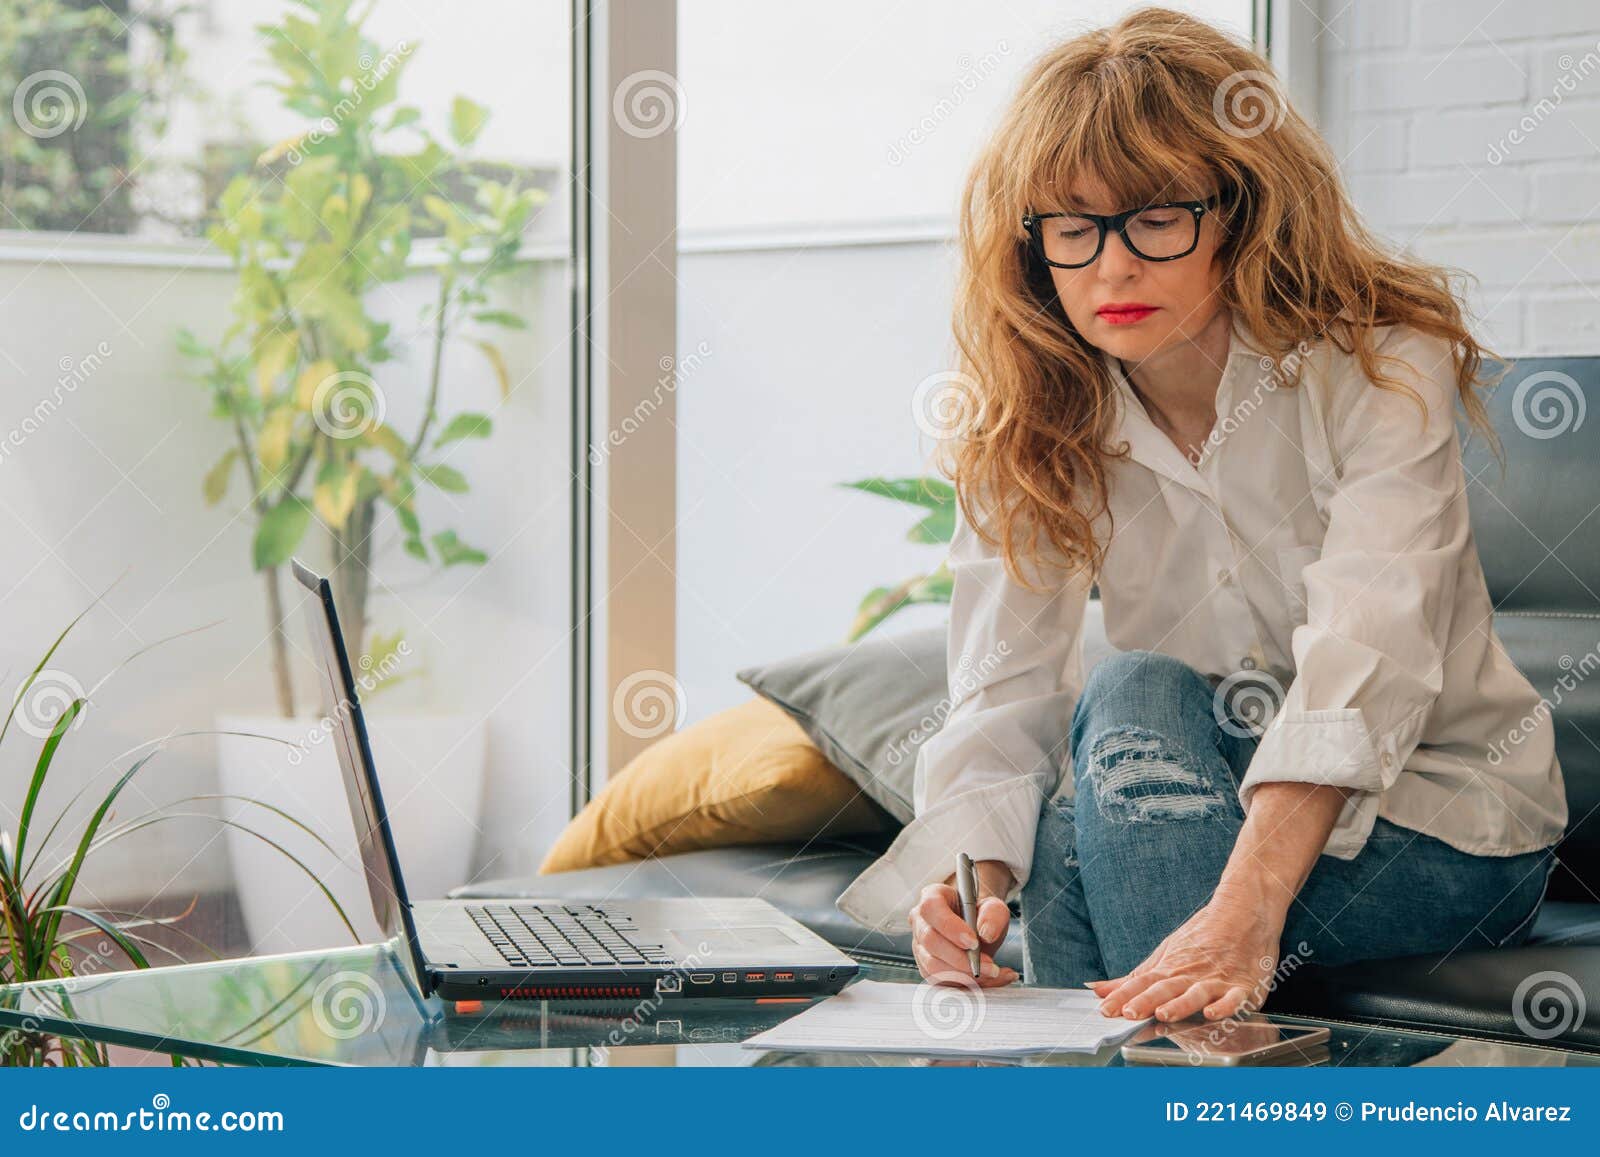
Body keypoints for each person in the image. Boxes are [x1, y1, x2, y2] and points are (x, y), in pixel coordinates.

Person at [836, 6, 1566, 1025]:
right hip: (1185, 807)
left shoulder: (1382, 368)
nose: (1112, 267)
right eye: (1072, 228)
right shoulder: (1030, 421)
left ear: (1243, 212)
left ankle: (1128, 1081)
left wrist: (1243, 913)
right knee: (1127, 701)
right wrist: (970, 892)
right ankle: (1192, 1072)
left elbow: (1367, 659)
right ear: (1033, 244)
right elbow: (1003, 692)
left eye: (1155, 218)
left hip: (1442, 827)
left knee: (1098, 805)